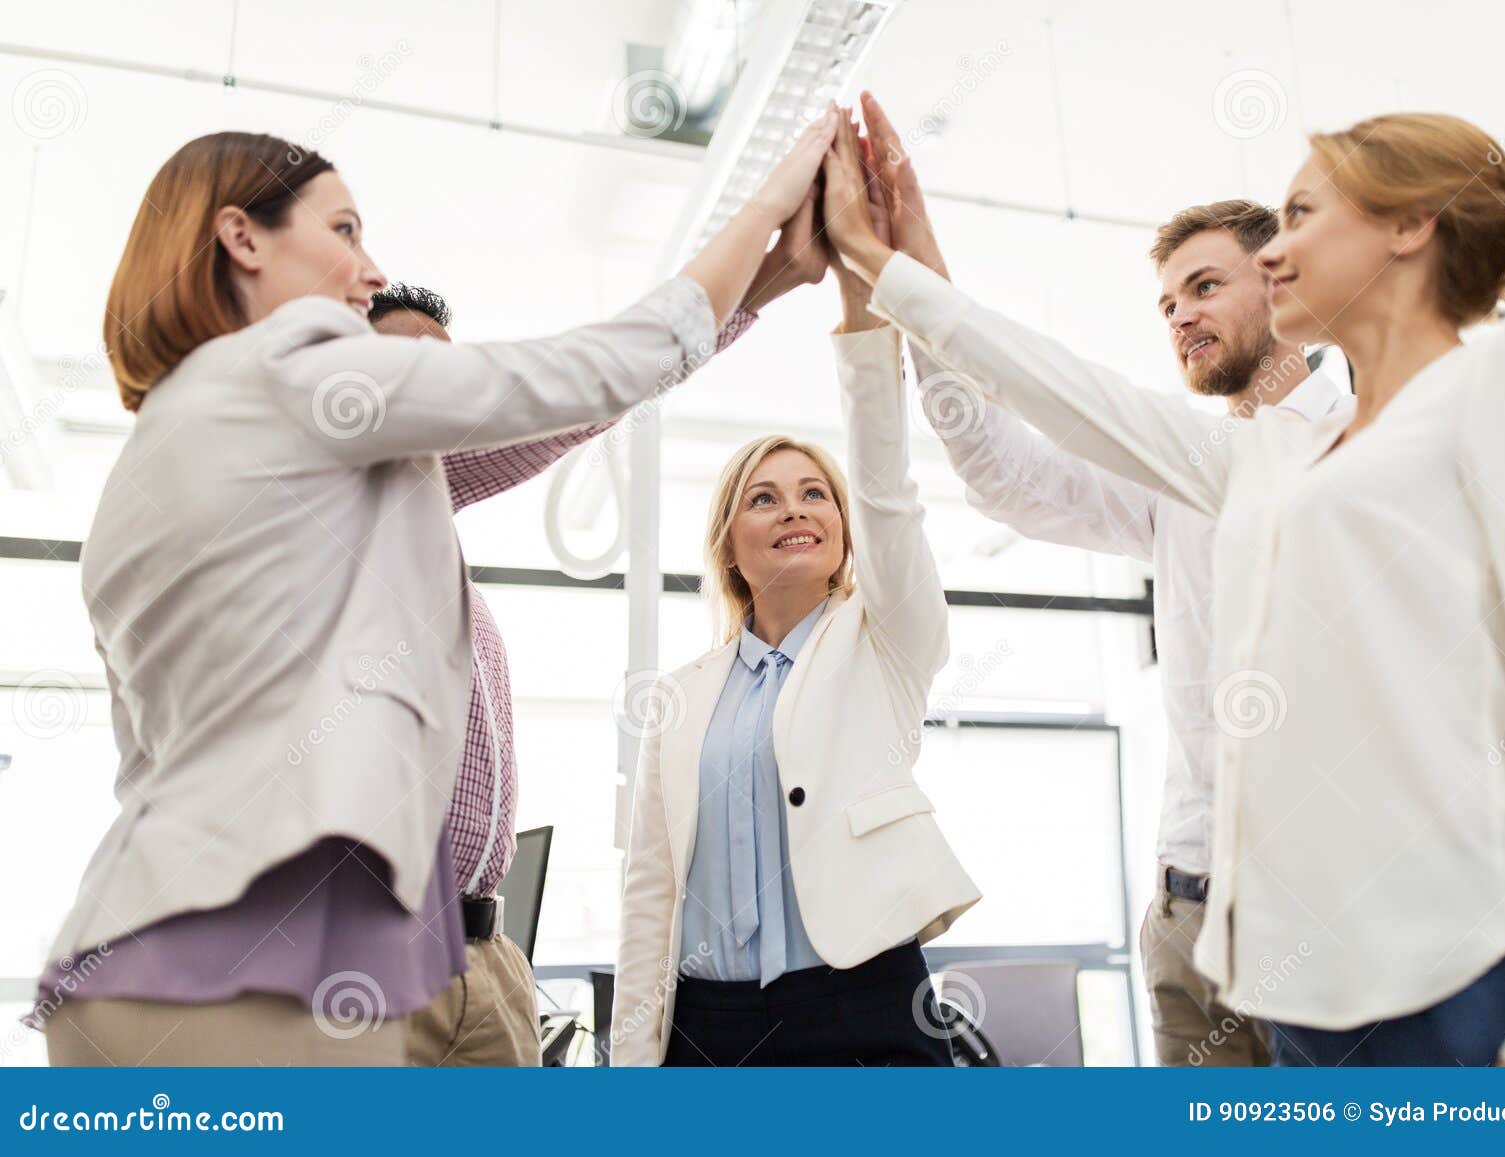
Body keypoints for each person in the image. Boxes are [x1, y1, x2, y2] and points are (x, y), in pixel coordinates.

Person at [33, 108, 838, 1066]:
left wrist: (764, 283)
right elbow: (573, 378)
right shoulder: (278, 379)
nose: (368, 269)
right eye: (342, 231)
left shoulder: (173, 455)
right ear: (240, 237)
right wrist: (767, 214)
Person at [825, 102, 1505, 1065]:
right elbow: (1062, 393)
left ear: (1409, 226)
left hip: (1447, 961)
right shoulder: (1260, 455)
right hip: (1292, 960)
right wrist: (903, 268)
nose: (1282, 252)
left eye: (1306, 216)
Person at [849, 95, 1349, 1066]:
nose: (1181, 315)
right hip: (1186, 898)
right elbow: (1008, 474)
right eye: (1166, 303)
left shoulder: (1362, 447)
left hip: (1326, 906)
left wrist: (915, 283)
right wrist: (918, 289)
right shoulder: (1188, 467)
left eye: (1204, 286)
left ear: (1281, 281)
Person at [367, 253, 824, 1065]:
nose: (440, 401)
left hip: (484, 954)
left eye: (448, 374)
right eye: (409, 373)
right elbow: (584, 396)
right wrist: (747, 288)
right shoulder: (335, 515)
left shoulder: (449, 576)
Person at [611, 176, 980, 1066]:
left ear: (843, 531)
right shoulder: (682, 695)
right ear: (730, 544)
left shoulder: (885, 639)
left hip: (860, 1001)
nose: (793, 509)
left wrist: (863, 309)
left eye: (814, 493)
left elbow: (890, 495)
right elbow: (649, 891)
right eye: (764, 498)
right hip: (712, 1024)